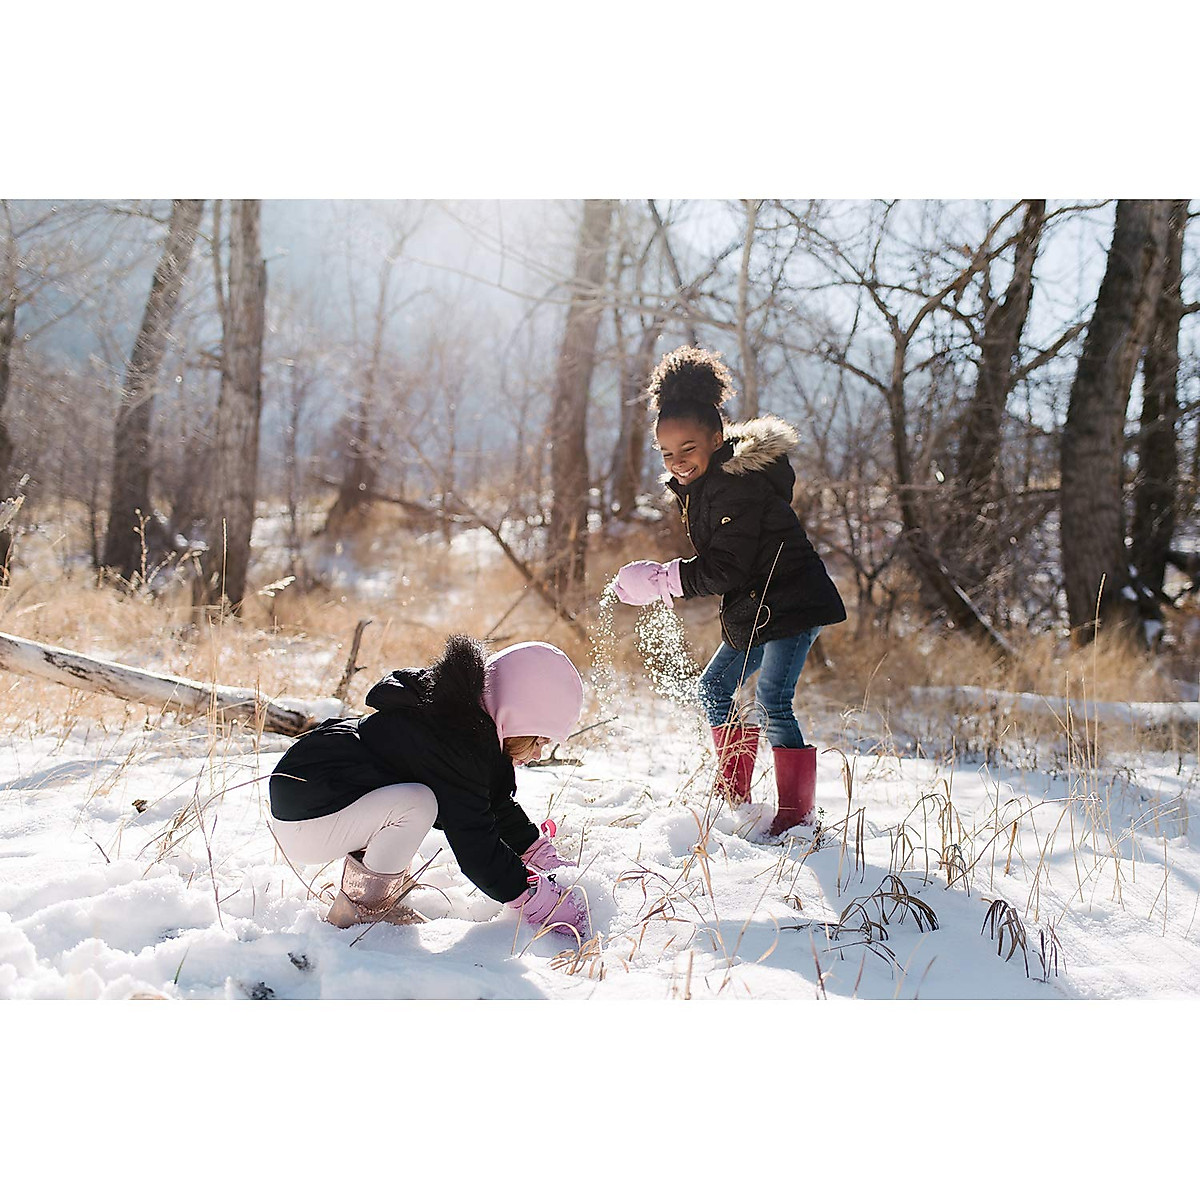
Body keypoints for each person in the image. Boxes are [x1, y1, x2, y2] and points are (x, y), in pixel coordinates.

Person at [614, 345, 846, 836]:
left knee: (772, 701)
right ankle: (734, 788)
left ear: (717, 439)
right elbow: (733, 570)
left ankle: (796, 817)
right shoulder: (701, 489)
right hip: (758, 606)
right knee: (714, 686)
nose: (677, 462)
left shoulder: (735, 487)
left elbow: (726, 567)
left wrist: (665, 579)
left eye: (689, 450)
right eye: (667, 453)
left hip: (793, 601)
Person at [267, 634, 590, 939]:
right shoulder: (455, 742)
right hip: (307, 814)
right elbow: (477, 847)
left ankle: (374, 890)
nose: (537, 754)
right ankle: (363, 910)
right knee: (417, 804)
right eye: (538, 740)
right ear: (514, 716)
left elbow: (494, 806)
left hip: (323, 802)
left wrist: (538, 853)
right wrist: (537, 901)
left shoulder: (462, 723)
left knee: (411, 803)